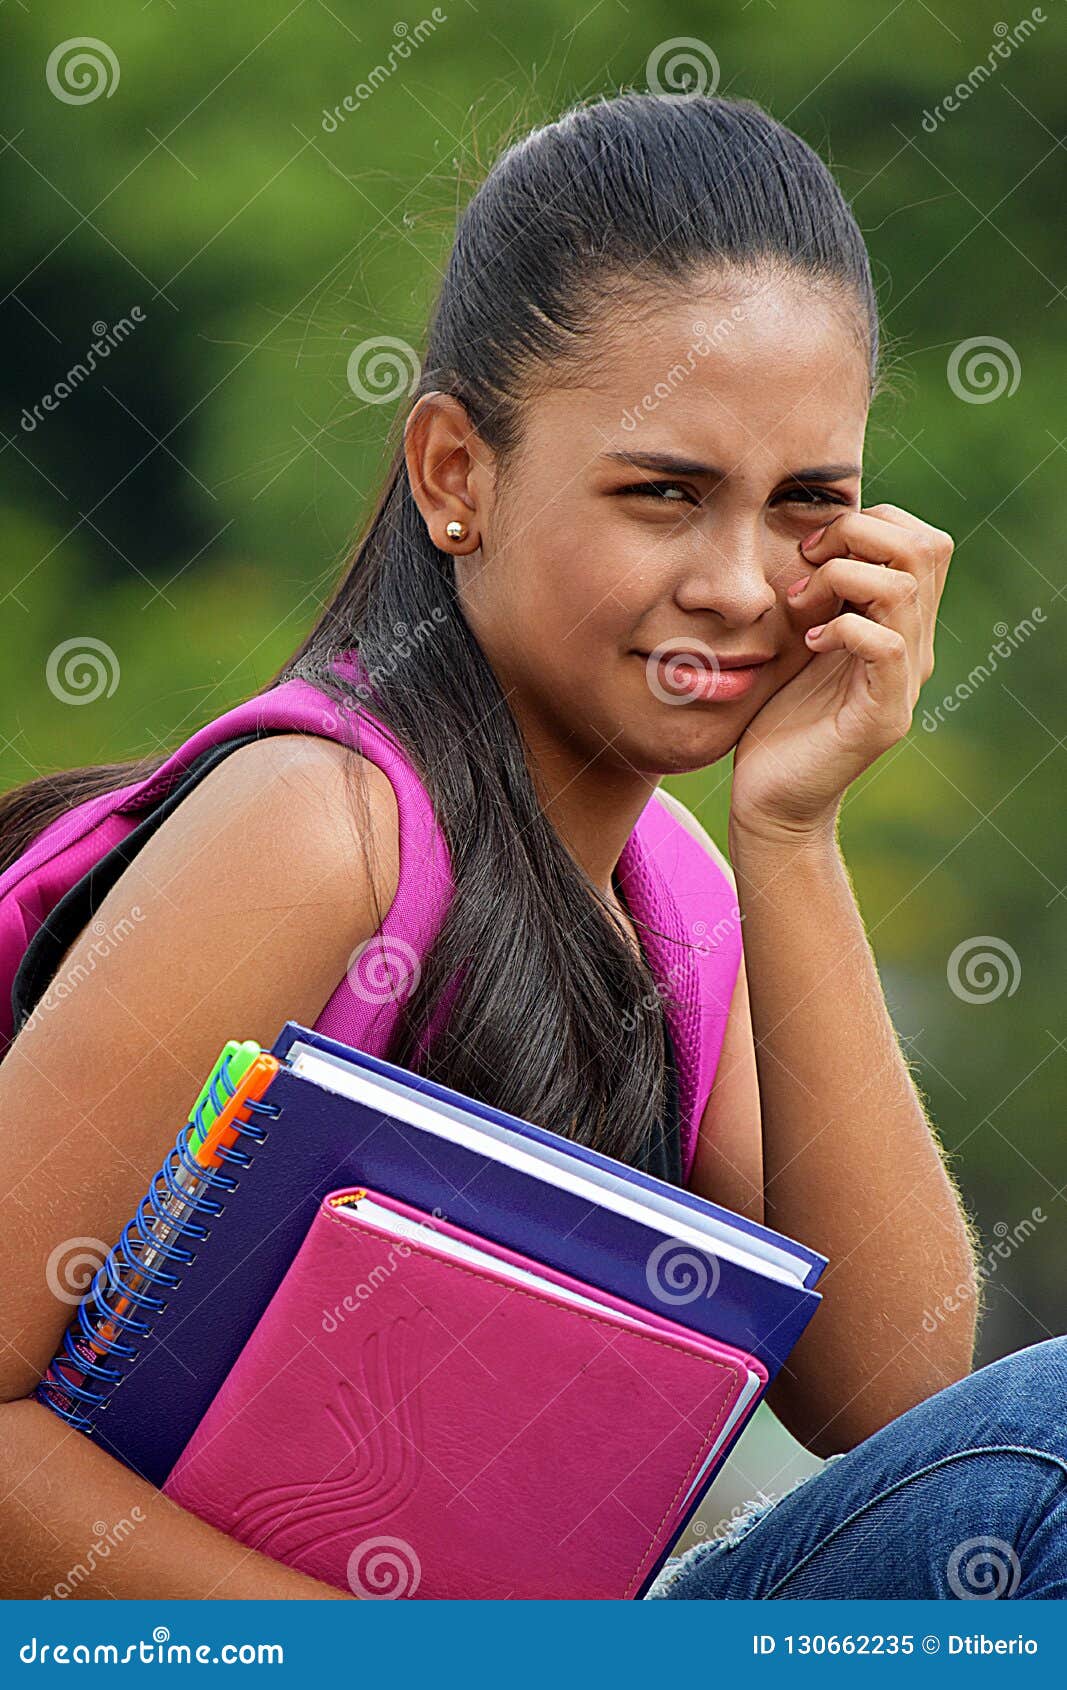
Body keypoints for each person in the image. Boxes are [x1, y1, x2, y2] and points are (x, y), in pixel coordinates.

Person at [1, 91, 1063, 1602]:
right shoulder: (319, 827)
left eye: (805, 507)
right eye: (665, 495)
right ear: (455, 473)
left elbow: (896, 1397)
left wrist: (796, 827)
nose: (743, 584)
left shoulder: (682, 895)